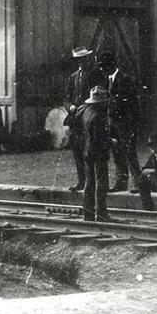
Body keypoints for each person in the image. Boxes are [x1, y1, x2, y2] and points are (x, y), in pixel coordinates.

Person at [96, 50, 143, 192]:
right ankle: (121, 183)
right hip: (112, 124)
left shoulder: (126, 79)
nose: (102, 70)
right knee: (117, 154)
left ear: (110, 66)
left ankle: (138, 184)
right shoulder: (107, 80)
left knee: (130, 154)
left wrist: (132, 126)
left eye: (104, 66)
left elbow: (133, 105)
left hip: (125, 124)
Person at [74, 85, 114, 221]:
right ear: (102, 102)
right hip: (98, 153)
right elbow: (100, 139)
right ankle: (101, 213)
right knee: (101, 182)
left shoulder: (85, 112)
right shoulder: (99, 116)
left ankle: (88, 213)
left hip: (86, 151)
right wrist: (112, 142)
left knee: (89, 182)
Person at [63, 46, 95, 191]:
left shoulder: (94, 75)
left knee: (89, 150)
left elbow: (97, 95)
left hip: (88, 116)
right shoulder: (73, 77)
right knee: (77, 150)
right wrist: (70, 107)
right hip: (75, 117)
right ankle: (81, 181)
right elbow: (67, 97)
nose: (81, 62)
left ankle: (90, 181)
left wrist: (85, 106)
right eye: (78, 60)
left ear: (87, 59)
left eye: (83, 59)